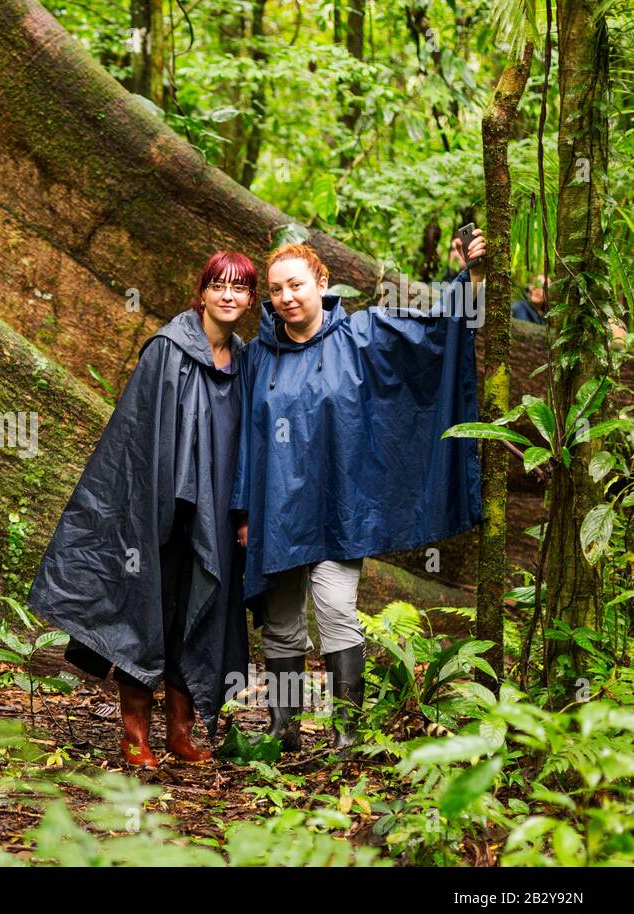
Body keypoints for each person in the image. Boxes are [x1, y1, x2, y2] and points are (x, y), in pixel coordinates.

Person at [231, 233, 486, 751]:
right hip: (275, 509)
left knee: (336, 612)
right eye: (277, 290)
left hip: (339, 507)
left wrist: (472, 279)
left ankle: (346, 729)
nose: (287, 297)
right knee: (280, 624)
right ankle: (284, 728)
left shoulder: (363, 335)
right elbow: (244, 438)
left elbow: (435, 333)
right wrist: (243, 510)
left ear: (321, 284)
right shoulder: (258, 357)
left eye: (297, 285)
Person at [28, 252, 255, 768]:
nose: (227, 296)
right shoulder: (166, 350)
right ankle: (135, 737)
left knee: (197, 616)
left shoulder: (245, 362)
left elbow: (251, 442)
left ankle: (181, 732)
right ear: (201, 293)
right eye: (217, 285)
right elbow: (134, 438)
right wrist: (147, 511)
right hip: (158, 516)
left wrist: (241, 513)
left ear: (248, 300)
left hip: (216, 517)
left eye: (238, 288)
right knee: (147, 615)